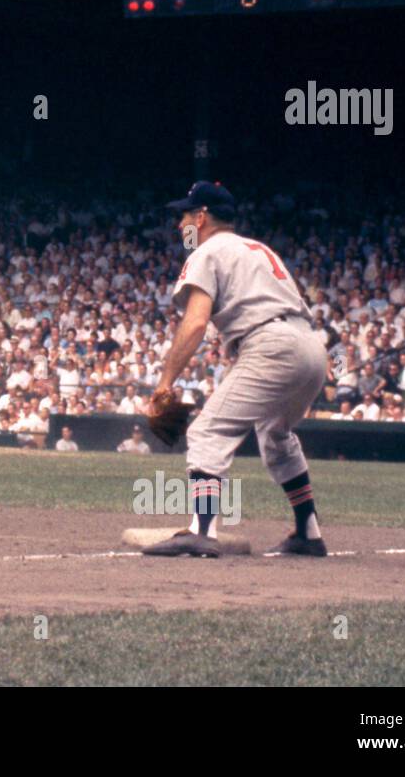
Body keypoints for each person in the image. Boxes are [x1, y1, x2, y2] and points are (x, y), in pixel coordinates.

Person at [142, 181, 329, 558]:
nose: (180, 225)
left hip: (272, 344)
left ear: (202, 216)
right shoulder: (259, 249)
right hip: (311, 347)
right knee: (276, 435)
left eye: (184, 216)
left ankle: (201, 530)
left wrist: (165, 382)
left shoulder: (208, 250)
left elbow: (195, 323)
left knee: (208, 431)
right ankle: (308, 533)